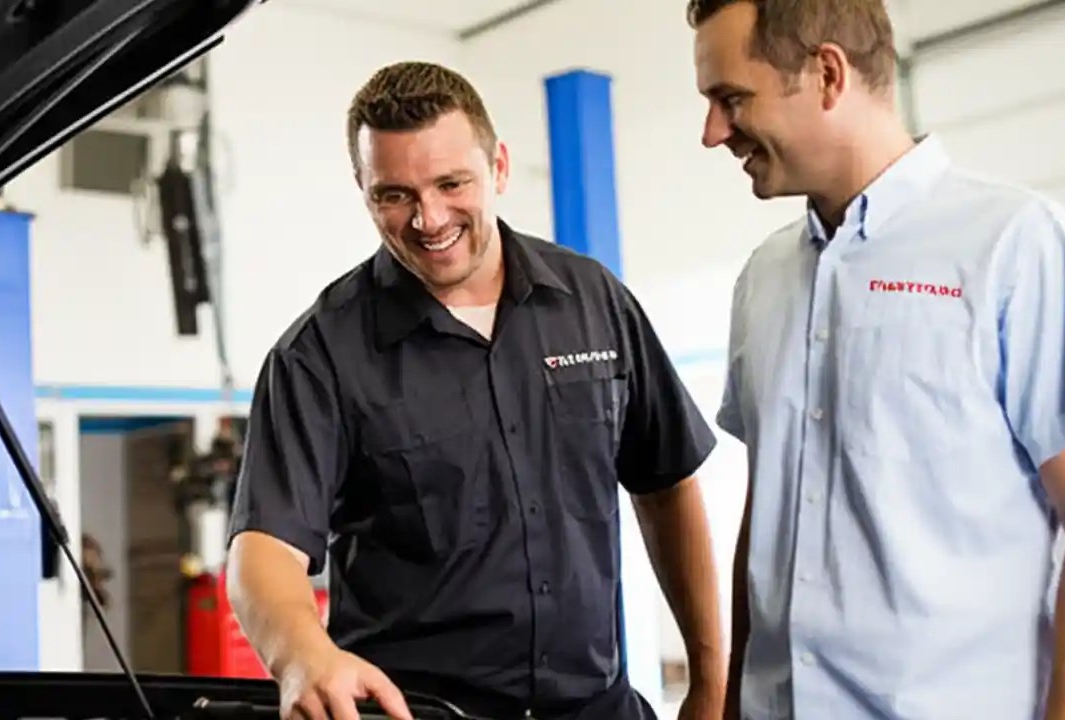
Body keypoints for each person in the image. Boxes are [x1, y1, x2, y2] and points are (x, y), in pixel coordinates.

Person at [686, 1, 1065, 719]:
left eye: (731, 98)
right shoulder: (765, 277)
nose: (713, 132)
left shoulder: (1014, 247)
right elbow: (770, 507)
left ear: (827, 74)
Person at [224, 60, 727, 720]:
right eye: (394, 194)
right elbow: (262, 553)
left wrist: (712, 677)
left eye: (451, 183)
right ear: (363, 189)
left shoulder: (594, 300)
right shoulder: (318, 357)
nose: (429, 219)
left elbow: (665, 483)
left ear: (499, 168)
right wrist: (301, 657)